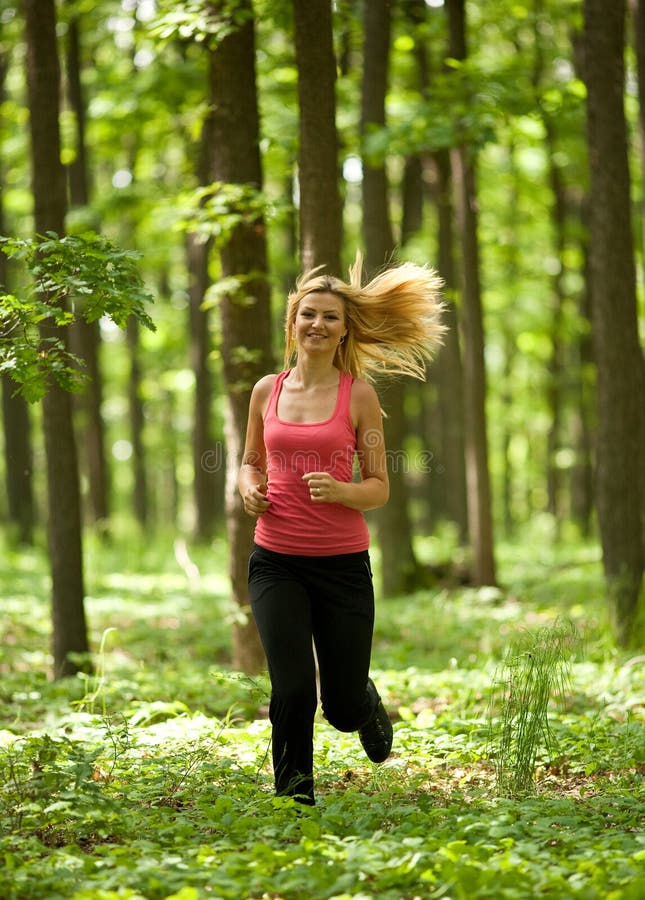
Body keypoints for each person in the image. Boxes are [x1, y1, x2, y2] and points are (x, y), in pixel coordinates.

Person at [238, 252, 445, 806]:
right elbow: (250, 462)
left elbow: (379, 486)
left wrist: (341, 491)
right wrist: (247, 487)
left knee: (342, 706)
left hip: (342, 567)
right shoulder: (266, 390)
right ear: (293, 322)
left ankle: (363, 703)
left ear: (344, 330)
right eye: (308, 314)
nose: (318, 324)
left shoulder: (359, 395)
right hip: (276, 561)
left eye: (330, 317)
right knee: (292, 689)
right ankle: (295, 802)